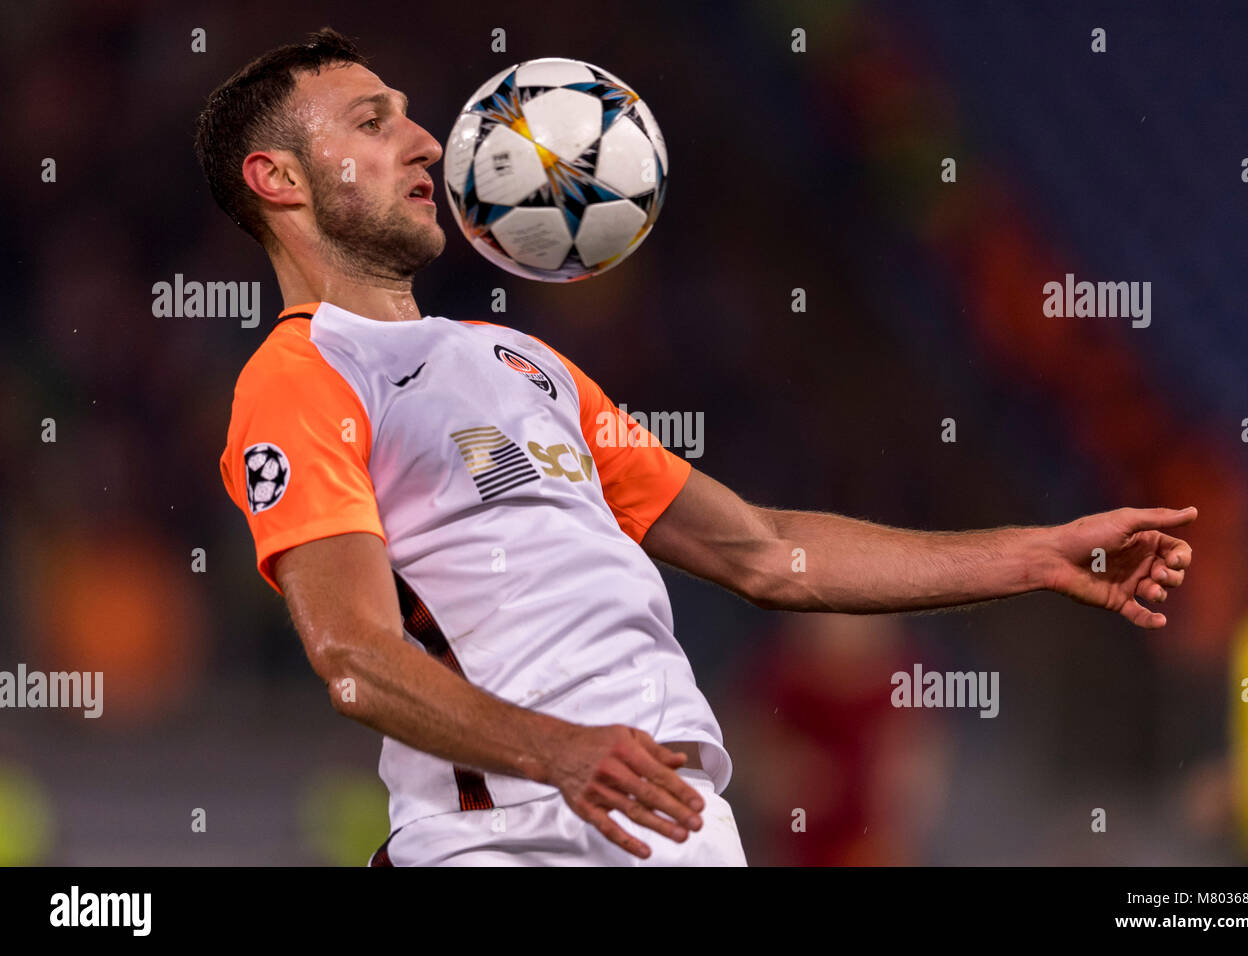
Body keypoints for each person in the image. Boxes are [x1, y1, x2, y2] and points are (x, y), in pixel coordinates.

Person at [198, 28, 1196, 866]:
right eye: (372, 122)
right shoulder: (305, 377)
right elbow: (354, 657)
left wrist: (1035, 552)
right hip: (506, 839)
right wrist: (558, 752)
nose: (425, 140)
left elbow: (761, 548)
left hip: (678, 828)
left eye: (408, 112)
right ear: (275, 177)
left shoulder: (517, 358)